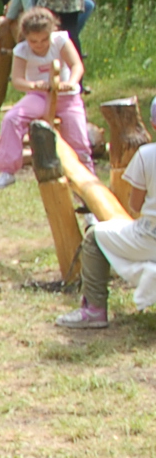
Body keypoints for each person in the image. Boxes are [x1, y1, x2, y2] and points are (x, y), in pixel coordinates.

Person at [58, 110, 156, 330]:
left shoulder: (146, 155)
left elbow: (136, 205)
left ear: (152, 124)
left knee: (94, 236)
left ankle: (94, 309)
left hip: (149, 238)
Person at [0, 7, 87, 190]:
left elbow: (76, 66)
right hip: (39, 97)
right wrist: (34, 86)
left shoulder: (61, 41)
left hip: (66, 97)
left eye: (44, 39)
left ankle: (86, 187)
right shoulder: (22, 50)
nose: (40, 45)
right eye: (34, 41)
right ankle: (7, 170)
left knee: (78, 140)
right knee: (12, 119)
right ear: (26, 36)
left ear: (51, 33)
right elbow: (18, 80)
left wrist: (71, 83)